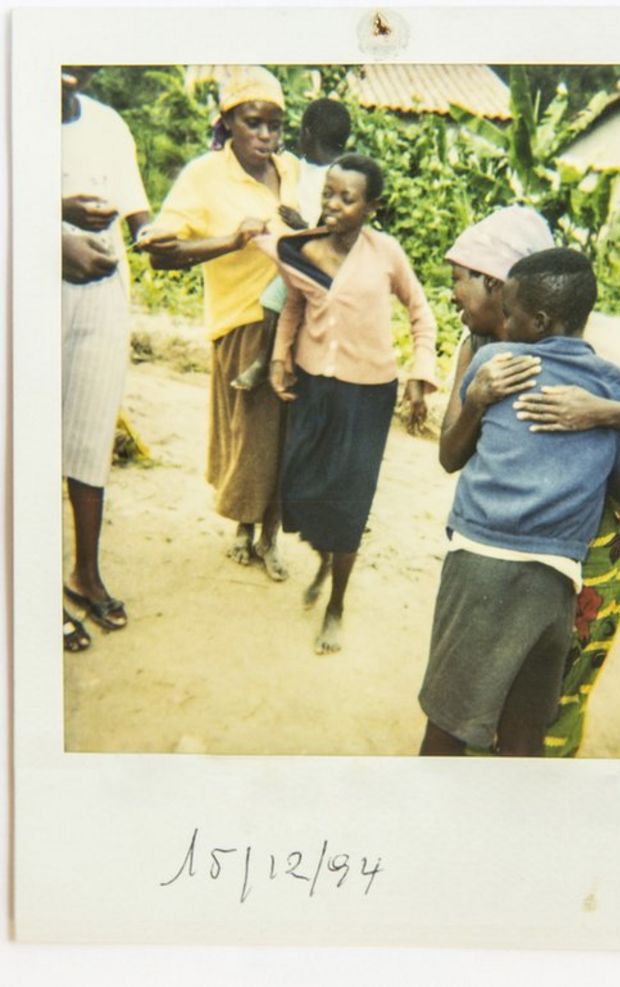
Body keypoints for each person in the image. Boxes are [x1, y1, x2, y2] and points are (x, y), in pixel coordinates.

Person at [440, 206, 620, 755]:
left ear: (501, 286)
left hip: (590, 543)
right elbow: (451, 452)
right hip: (512, 545)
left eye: (460, 280)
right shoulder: (481, 347)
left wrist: (600, 411)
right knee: (486, 676)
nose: (453, 294)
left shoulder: (604, 342)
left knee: (553, 679)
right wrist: (480, 396)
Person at [264, 153, 437, 654]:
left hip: (368, 396)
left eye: (348, 198)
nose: (334, 205)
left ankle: (336, 602)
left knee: (349, 501)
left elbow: (420, 312)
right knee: (300, 489)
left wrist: (420, 374)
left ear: (372, 207)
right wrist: (280, 359)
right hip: (315, 387)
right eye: (329, 195)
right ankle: (324, 556)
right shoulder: (304, 250)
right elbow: (294, 304)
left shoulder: (386, 254)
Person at [137, 66, 300, 580]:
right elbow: (159, 254)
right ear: (228, 120)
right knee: (250, 434)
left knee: (286, 435)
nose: (267, 136)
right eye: (254, 123)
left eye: (275, 125)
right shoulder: (204, 176)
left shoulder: (292, 170)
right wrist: (230, 240)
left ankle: (269, 535)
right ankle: (245, 528)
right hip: (241, 323)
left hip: (300, 321)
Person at [61, 66, 151, 651]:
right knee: (22, 446)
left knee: (90, 435)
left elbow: (137, 214)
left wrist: (156, 237)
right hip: (22, 298)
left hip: (100, 300)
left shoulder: (108, 124)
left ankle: (83, 573)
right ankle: (26, 590)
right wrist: (50, 227)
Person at [232, 98, 352, 392]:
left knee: (272, 300)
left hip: (321, 259)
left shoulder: (337, 179)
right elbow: (293, 163)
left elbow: (331, 233)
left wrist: (301, 226)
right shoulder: (307, 166)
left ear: (307, 134)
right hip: (305, 253)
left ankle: (264, 361)